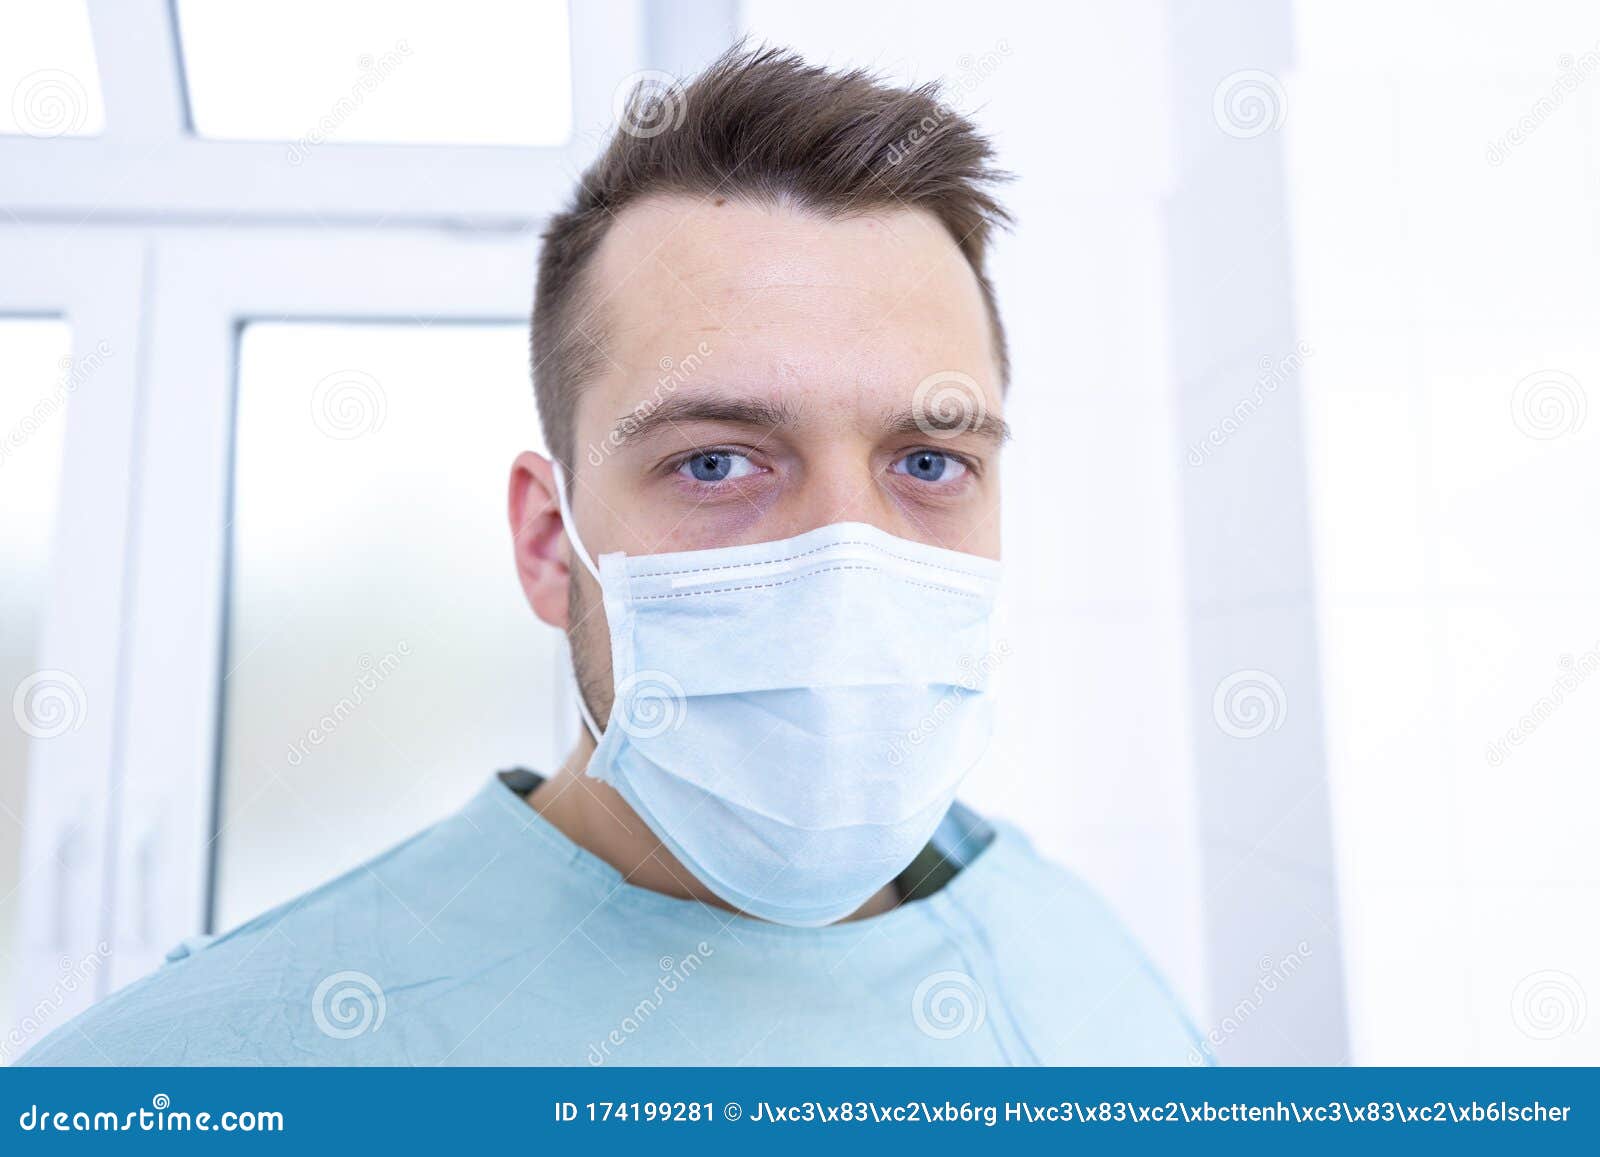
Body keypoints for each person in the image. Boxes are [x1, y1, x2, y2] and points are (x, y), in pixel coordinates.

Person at [22, 47, 1201, 1066]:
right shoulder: (217, 1065)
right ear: (549, 541)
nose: (849, 560)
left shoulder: (1080, 962)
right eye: (715, 462)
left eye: (929, 461)